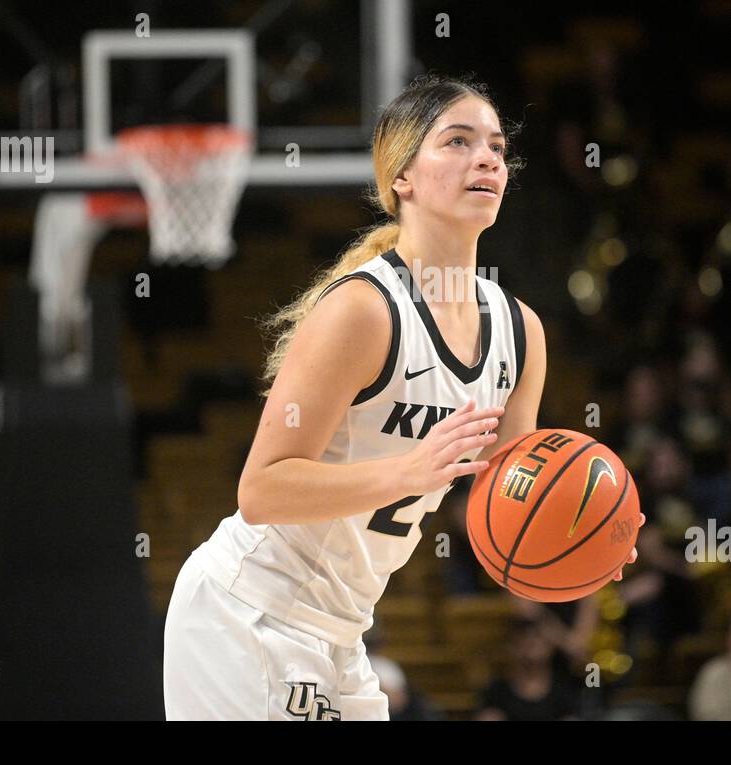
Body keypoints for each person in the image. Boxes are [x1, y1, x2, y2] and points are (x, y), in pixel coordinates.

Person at [162, 74, 643, 720]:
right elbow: (261, 490)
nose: (488, 159)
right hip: (249, 612)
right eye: (459, 141)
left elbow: (507, 507)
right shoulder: (363, 311)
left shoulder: (520, 333)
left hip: (341, 631)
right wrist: (407, 471)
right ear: (402, 178)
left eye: (498, 148)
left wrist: (589, 533)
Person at [475, 619, 584, 721]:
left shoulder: (564, 691)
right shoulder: (497, 691)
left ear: (550, 647)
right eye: (524, 636)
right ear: (512, 646)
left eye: (538, 637)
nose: (531, 641)